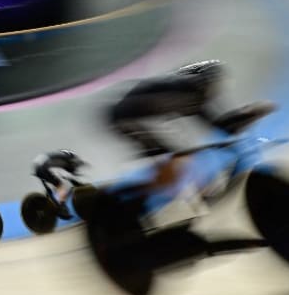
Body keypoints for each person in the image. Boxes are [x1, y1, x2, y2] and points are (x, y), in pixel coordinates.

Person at [106, 59, 275, 195]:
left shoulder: (187, 92)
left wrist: (248, 115)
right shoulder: (189, 93)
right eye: (215, 84)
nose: (216, 91)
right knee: (179, 153)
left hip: (125, 115)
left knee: (177, 152)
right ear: (205, 81)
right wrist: (250, 114)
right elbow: (217, 125)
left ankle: (155, 185)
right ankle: (158, 188)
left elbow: (216, 124)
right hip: (129, 117)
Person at [33, 149, 88, 219]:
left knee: (56, 184)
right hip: (44, 168)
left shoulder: (57, 157)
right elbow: (68, 175)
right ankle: (61, 208)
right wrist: (78, 184)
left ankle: (47, 200)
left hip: (37, 167)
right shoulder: (67, 160)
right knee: (62, 187)